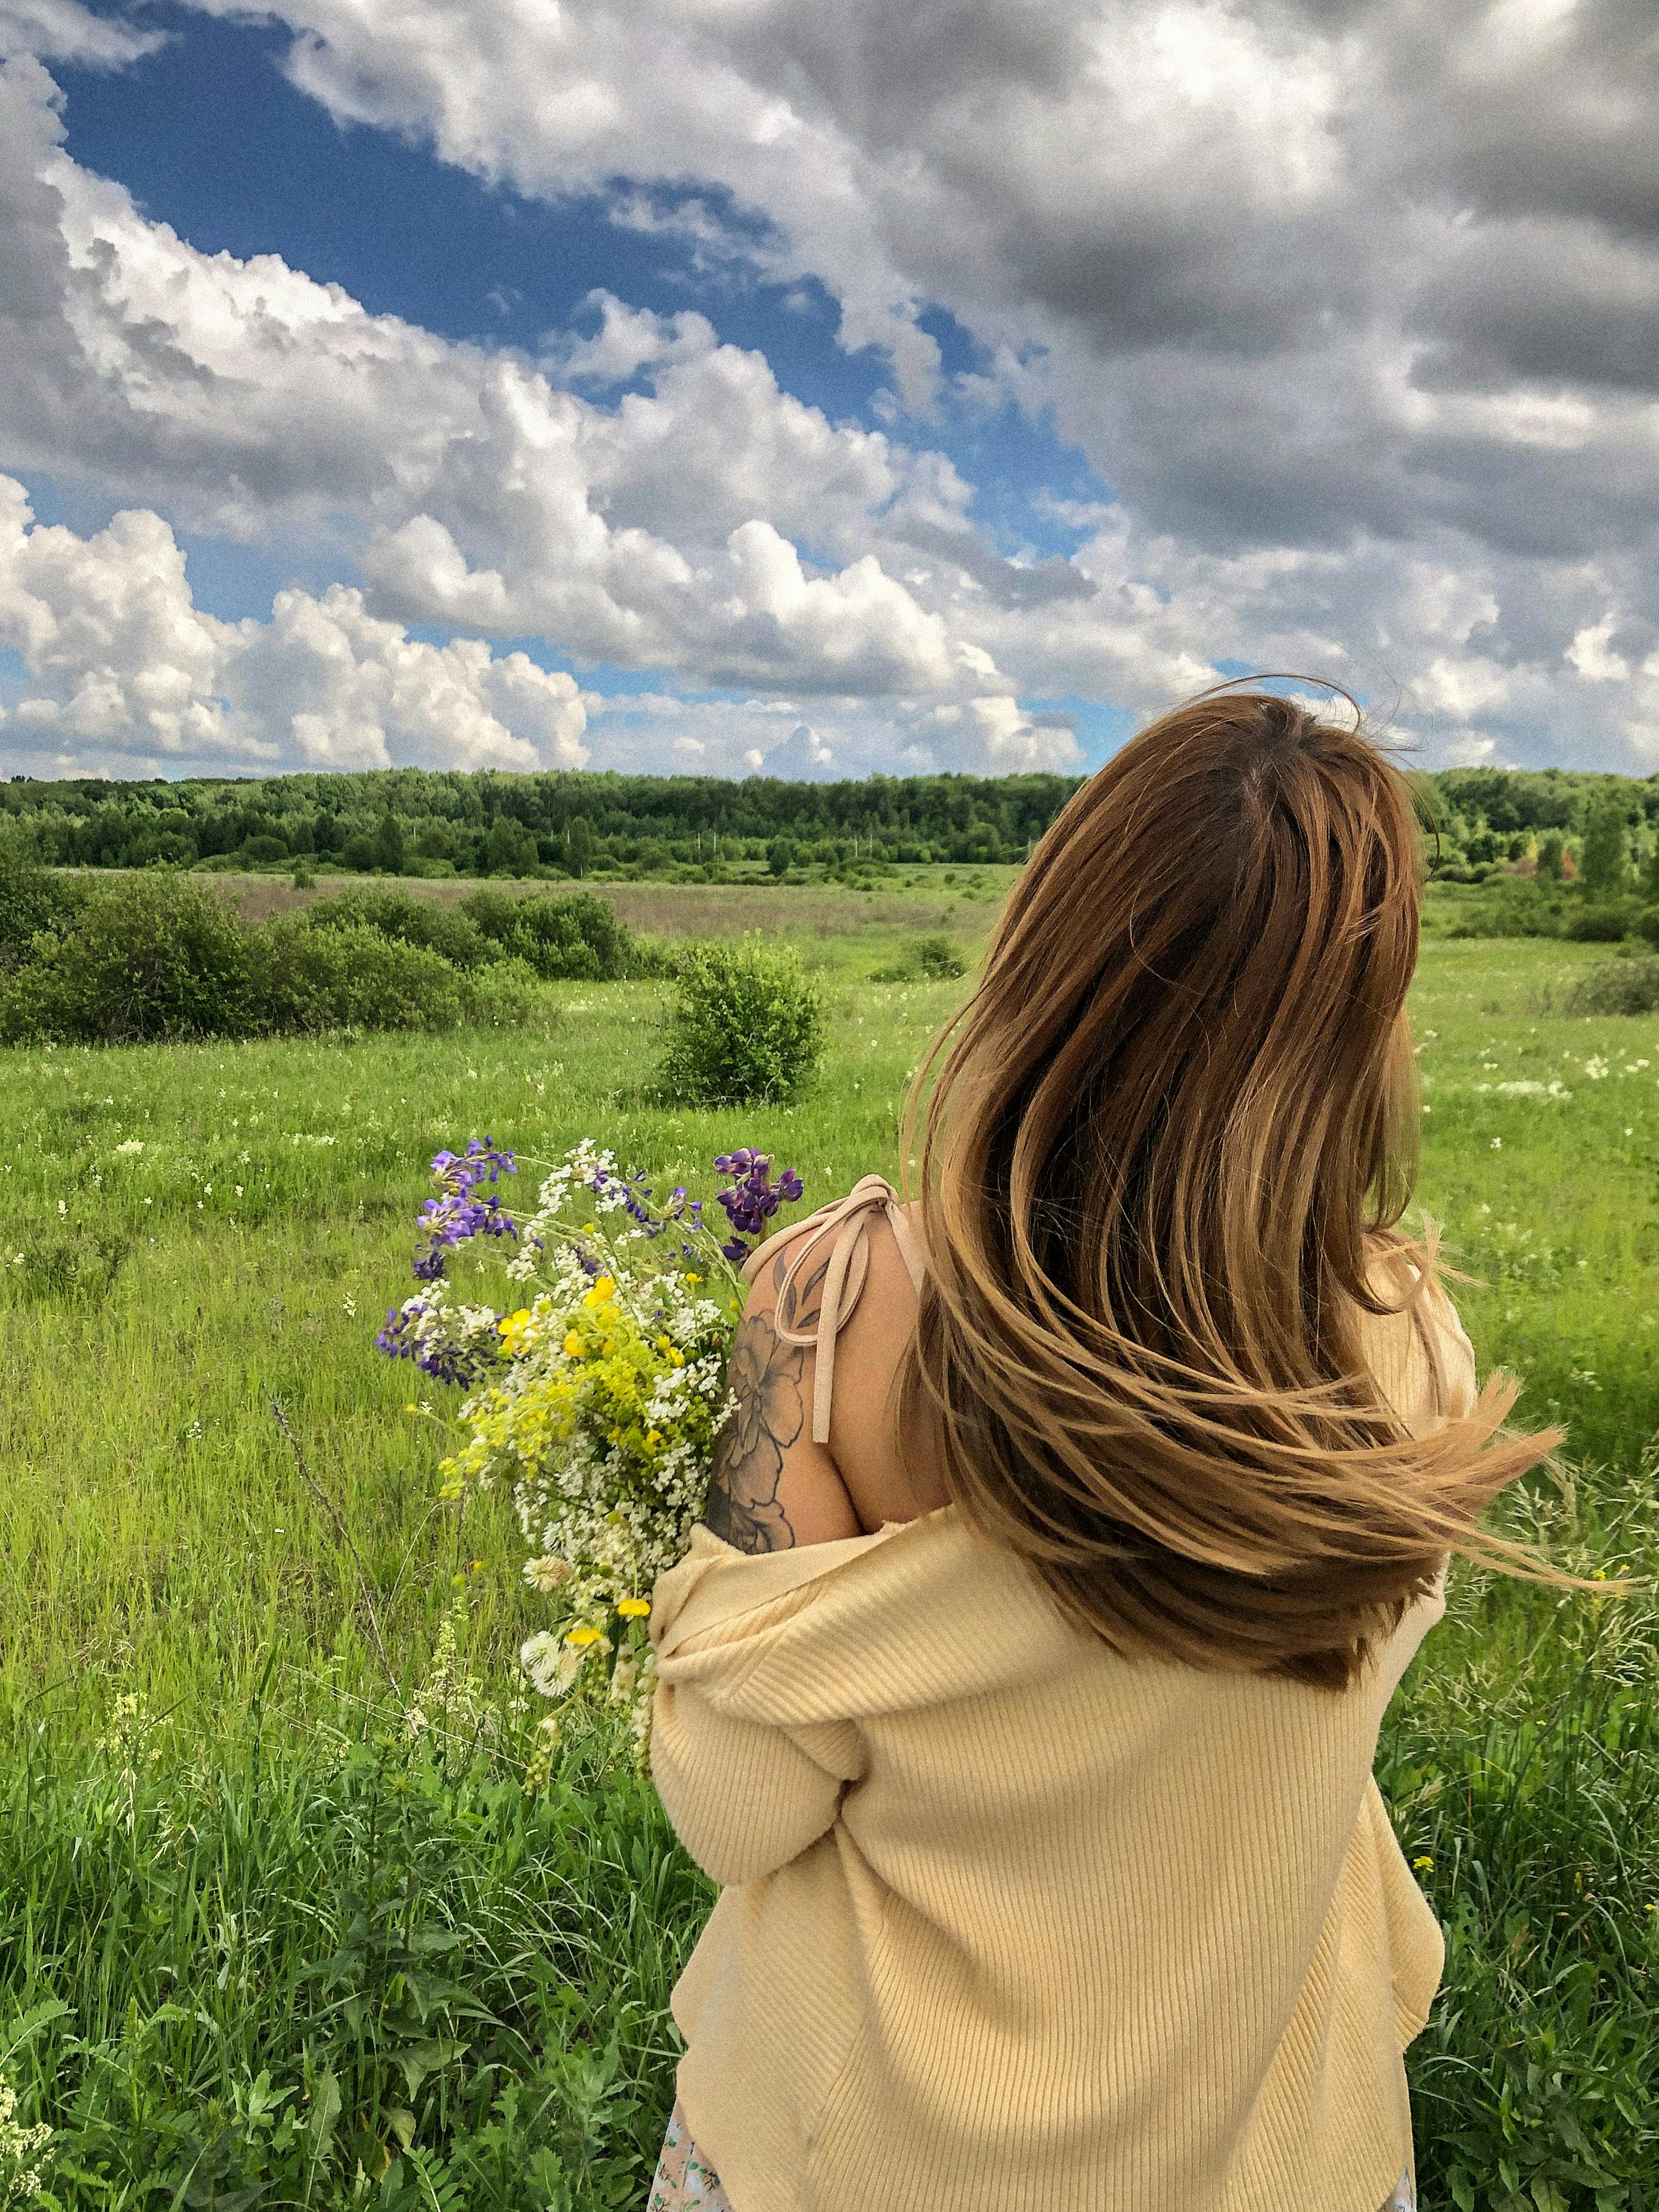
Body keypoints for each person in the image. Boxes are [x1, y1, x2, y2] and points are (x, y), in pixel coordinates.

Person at [644, 690, 1561, 2212]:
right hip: (1279, 2161)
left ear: (1046, 954)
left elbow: (732, 1810)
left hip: (857, 2158)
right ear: (1357, 1030)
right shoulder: (1405, 1344)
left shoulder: (831, 1304)